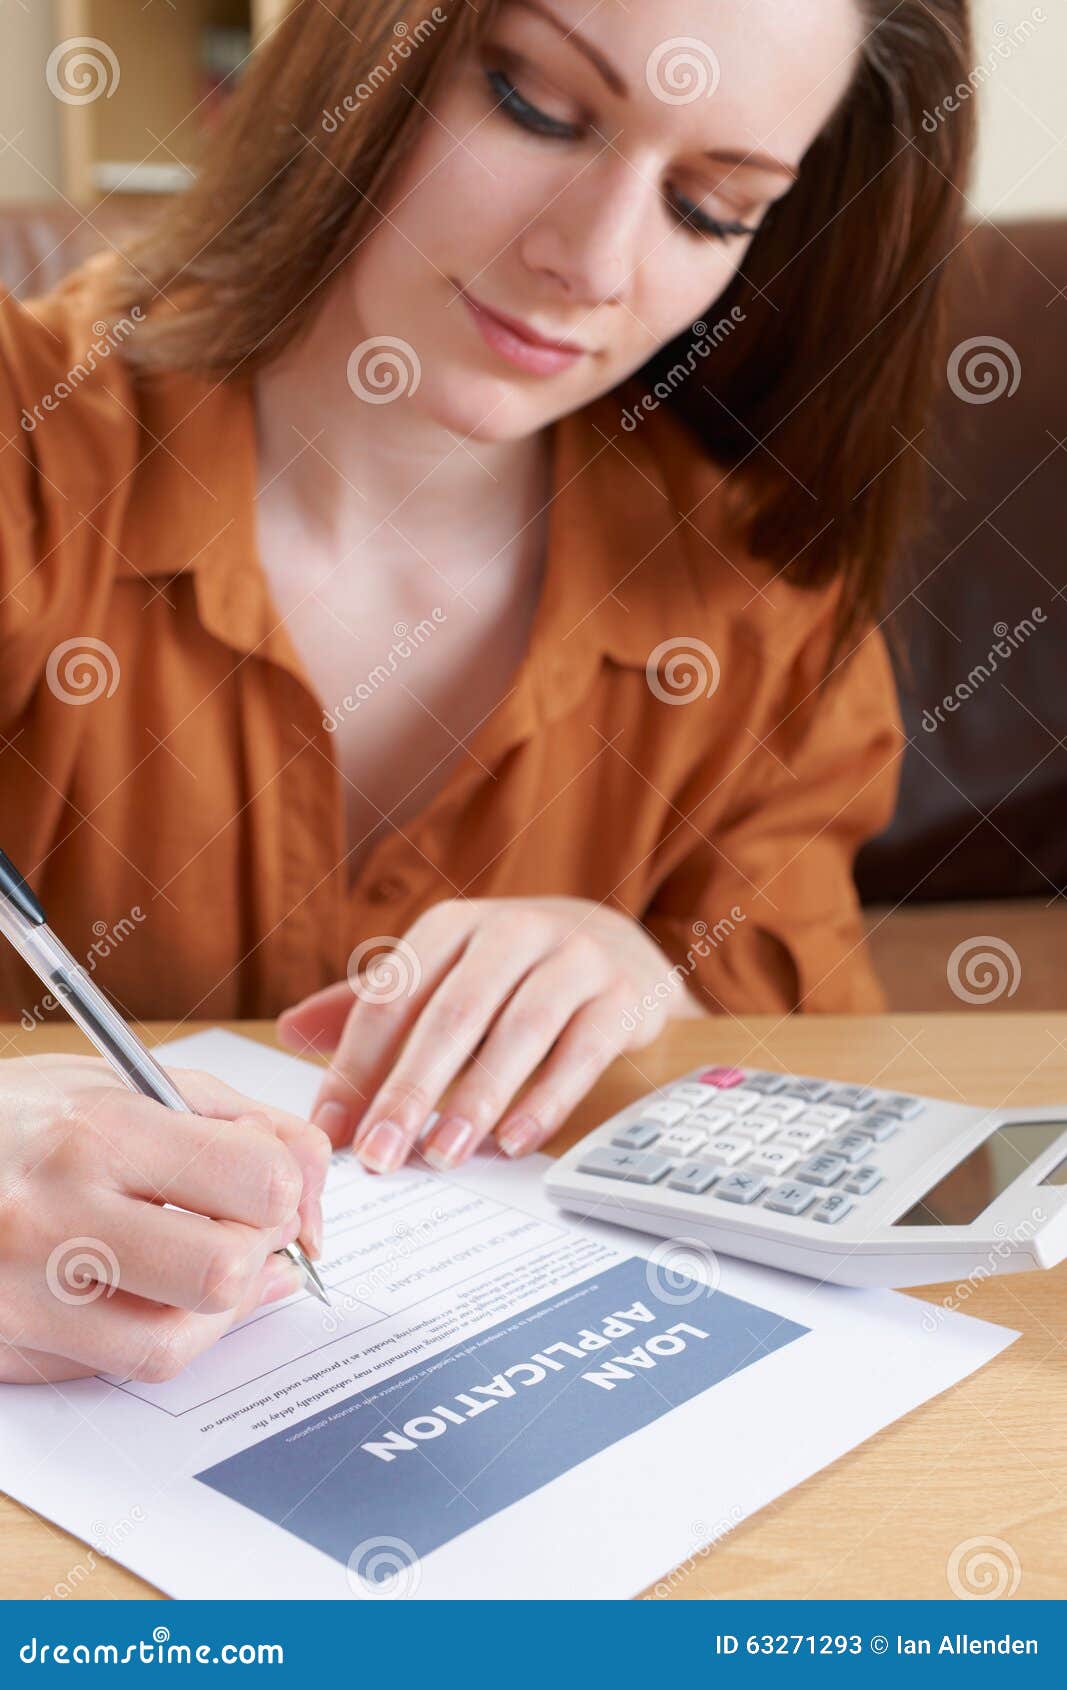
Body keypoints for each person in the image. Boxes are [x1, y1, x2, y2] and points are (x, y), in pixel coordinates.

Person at [0, 0, 974, 1381]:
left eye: (711, 205)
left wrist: (652, 988)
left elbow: (823, 1101)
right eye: (534, 105)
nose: (589, 261)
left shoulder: (760, 614)